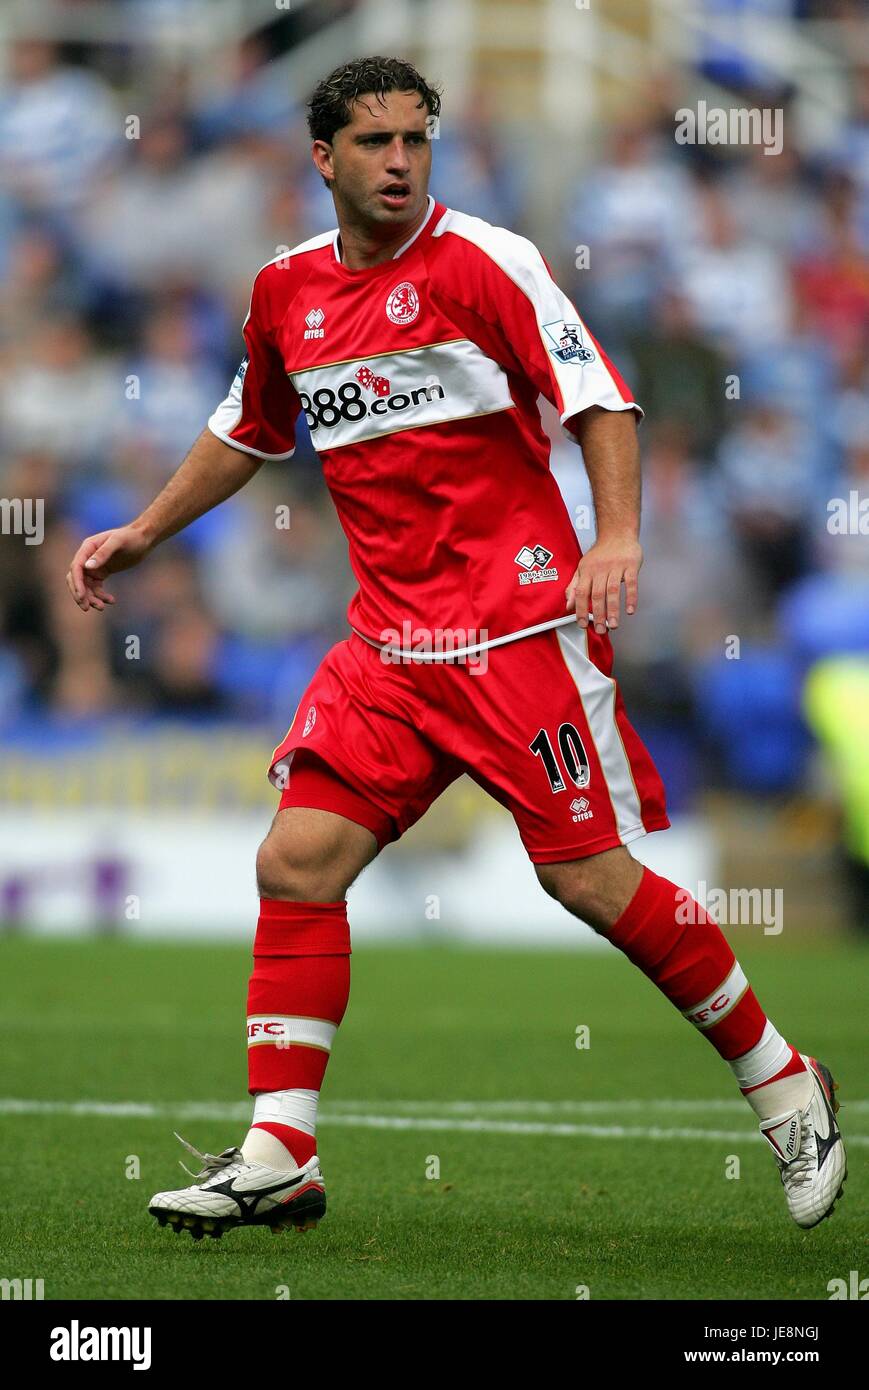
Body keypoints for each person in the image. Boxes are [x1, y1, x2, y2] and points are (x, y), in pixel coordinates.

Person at [66, 56, 846, 1240]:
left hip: (516, 627)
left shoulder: (487, 261)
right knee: (297, 861)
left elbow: (601, 405)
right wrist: (142, 530)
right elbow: (247, 428)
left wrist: (615, 540)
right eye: (373, 142)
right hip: (387, 643)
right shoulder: (286, 293)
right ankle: (280, 1148)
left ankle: (784, 1082)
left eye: (414, 140)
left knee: (583, 877)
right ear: (320, 158)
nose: (397, 161)